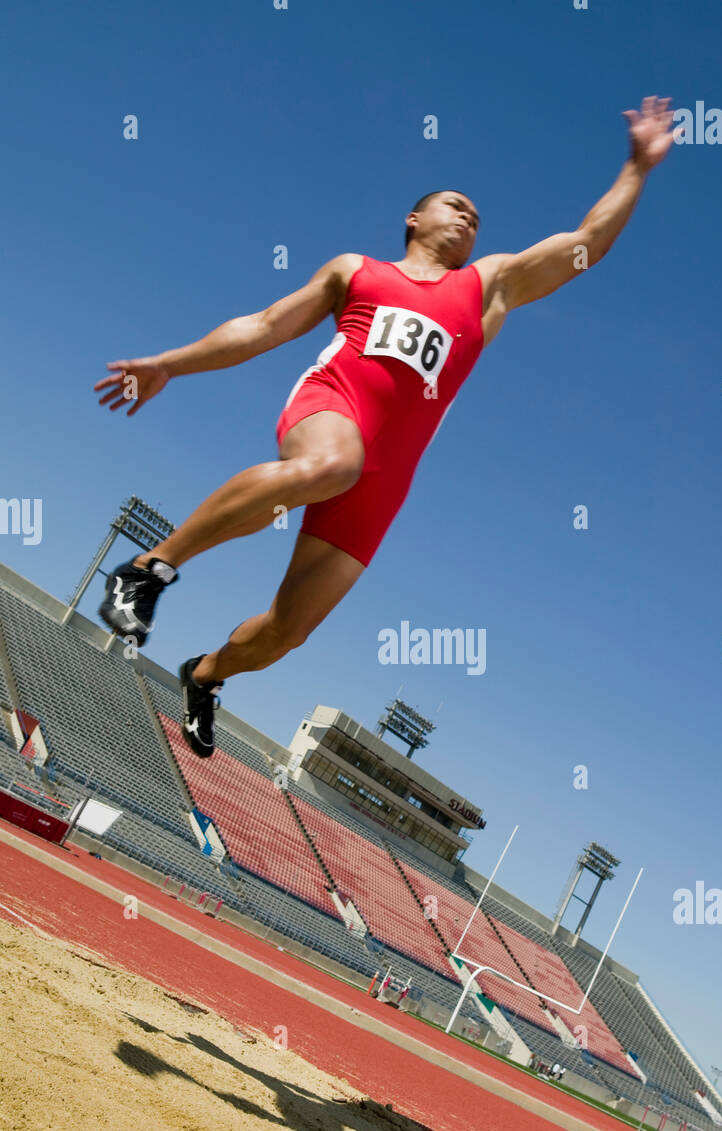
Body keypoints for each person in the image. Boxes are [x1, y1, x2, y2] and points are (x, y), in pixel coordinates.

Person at [95, 97, 676, 757]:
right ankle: (148, 568)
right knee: (329, 465)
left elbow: (585, 246)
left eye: (477, 217)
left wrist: (636, 167)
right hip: (330, 409)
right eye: (455, 204)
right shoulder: (357, 271)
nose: (469, 217)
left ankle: (205, 675)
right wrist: (169, 364)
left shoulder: (490, 287)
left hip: (388, 476)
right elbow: (263, 326)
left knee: (288, 631)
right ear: (414, 218)